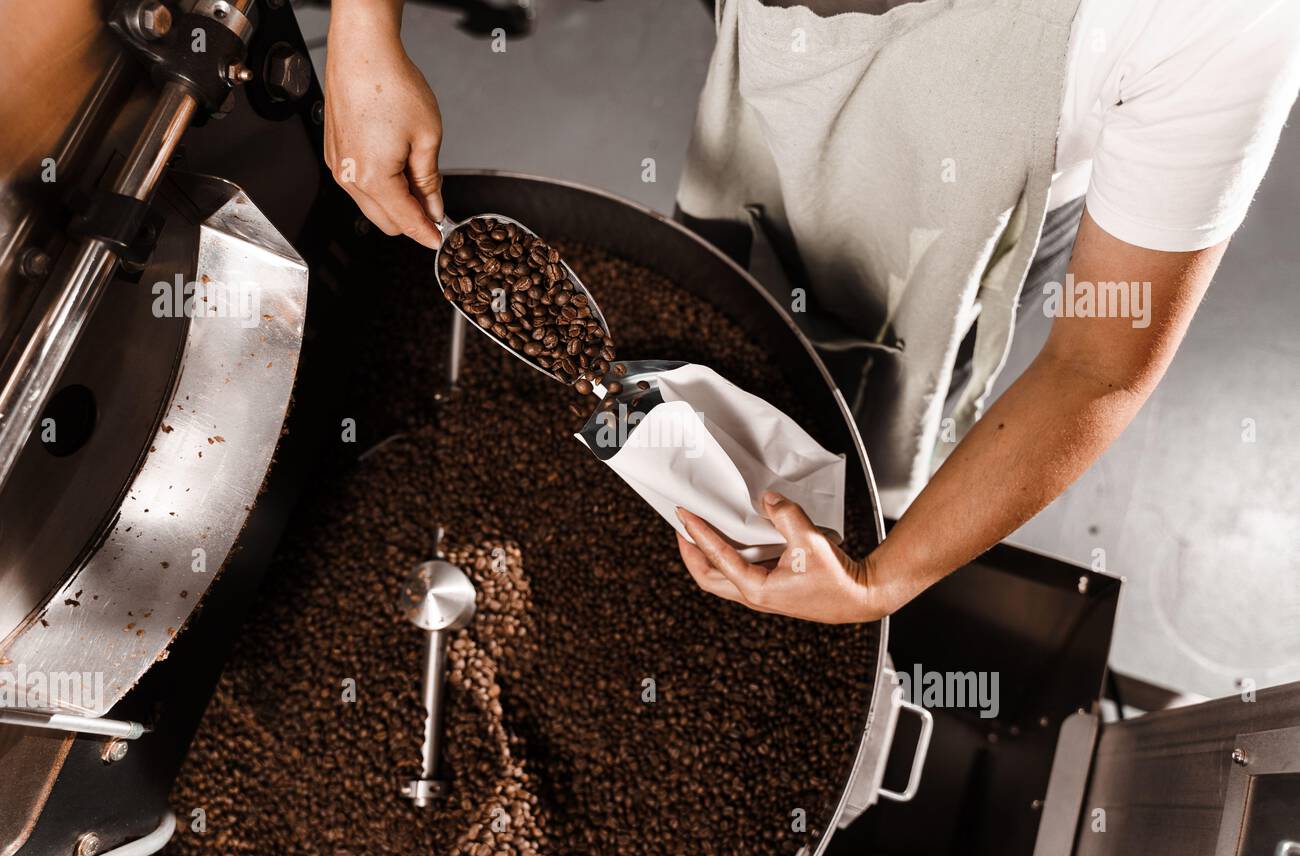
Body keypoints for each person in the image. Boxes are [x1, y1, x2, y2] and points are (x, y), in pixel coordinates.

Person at [324, 0, 1300, 624]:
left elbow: (1098, 363)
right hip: (764, 141)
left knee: (881, 410)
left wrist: (881, 581)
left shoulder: (1214, 19)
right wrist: (365, 31)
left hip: (984, 199)